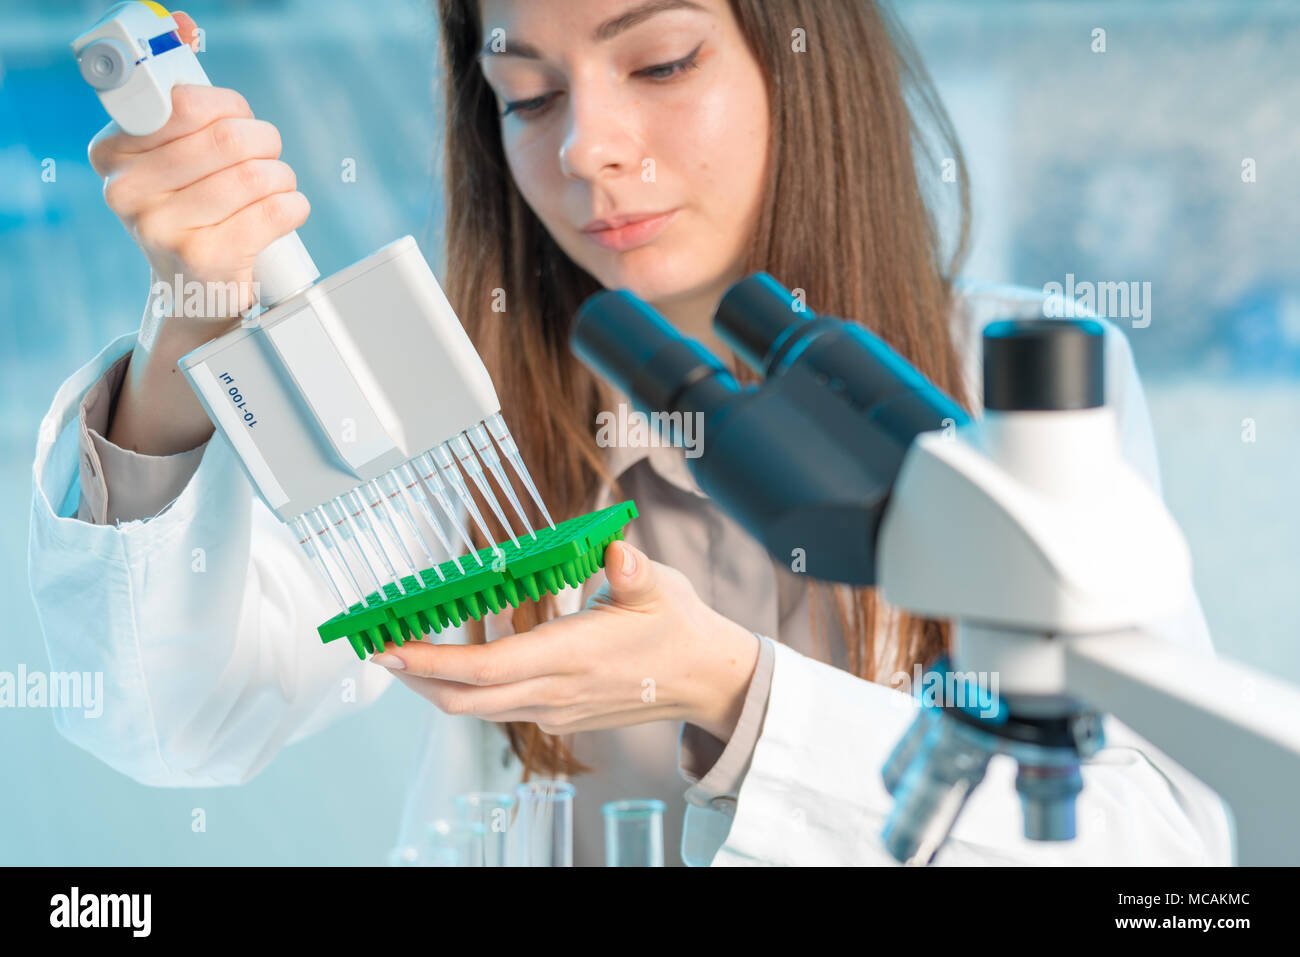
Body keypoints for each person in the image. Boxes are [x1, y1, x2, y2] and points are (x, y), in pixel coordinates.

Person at [29, 0, 1231, 865]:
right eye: (529, 95)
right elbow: (170, 719)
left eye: (658, 60)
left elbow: (1162, 859)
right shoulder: (453, 411)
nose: (583, 148)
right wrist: (197, 322)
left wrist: (731, 690)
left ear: (798, 59)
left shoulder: (1020, 382)